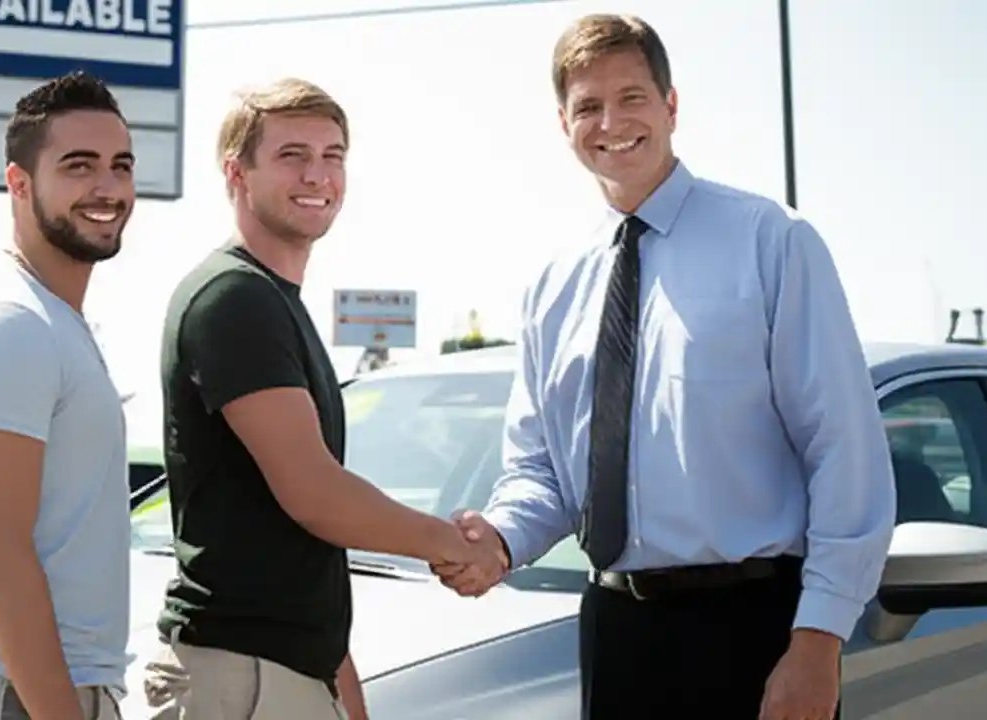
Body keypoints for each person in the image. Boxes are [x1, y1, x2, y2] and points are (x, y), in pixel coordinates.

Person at [434, 13, 897, 720]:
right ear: (563, 125)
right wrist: (497, 541)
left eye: (632, 97)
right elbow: (544, 476)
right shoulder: (553, 288)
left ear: (671, 106)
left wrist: (818, 642)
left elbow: (844, 452)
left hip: (757, 629)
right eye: (587, 106)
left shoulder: (772, 242)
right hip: (615, 635)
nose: (611, 121)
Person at [144, 77, 498, 720]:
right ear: (237, 172)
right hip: (239, 676)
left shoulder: (275, 302)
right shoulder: (235, 299)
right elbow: (314, 494)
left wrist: (342, 690)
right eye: (292, 155)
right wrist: (452, 545)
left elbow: (300, 540)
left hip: (283, 670)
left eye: (332, 155)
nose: (318, 174)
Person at [0, 71, 137, 720]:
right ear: (18, 183)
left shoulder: (56, 324)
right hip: (10, 694)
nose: (107, 188)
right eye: (78, 166)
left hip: (44, 691)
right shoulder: (11, 327)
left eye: (120, 166)